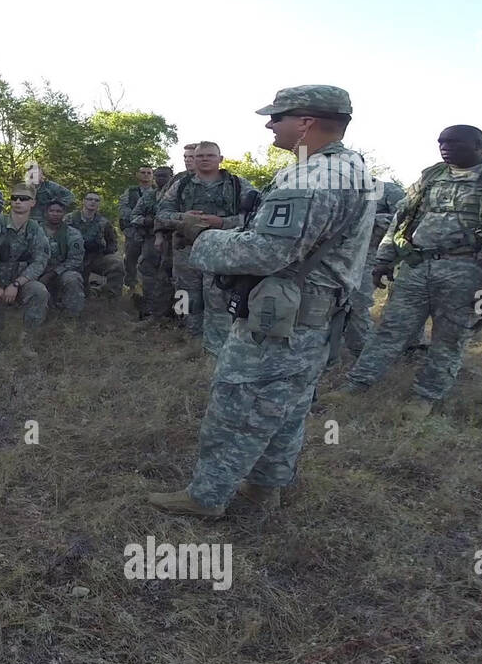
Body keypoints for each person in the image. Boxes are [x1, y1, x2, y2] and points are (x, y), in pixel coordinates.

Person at [147, 85, 374, 517]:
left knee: (237, 406)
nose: (270, 124)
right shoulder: (349, 168)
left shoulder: (314, 178)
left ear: (306, 122)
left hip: (279, 320)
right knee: (284, 409)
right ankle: (264, 488)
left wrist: (205, 237)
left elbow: (266, 252)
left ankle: (206, 498)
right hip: (311, 315)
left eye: (277, 116)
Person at [333, 125, 482, 418]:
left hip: (471, 272)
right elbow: (401, 220)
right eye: (441, 142)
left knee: (451, 336)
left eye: (454, 142)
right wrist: (384, 260)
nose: (445, 147)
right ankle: (358, 382)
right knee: (390, 329)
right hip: (417, 267)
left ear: (478, 145)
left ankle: (425, 396)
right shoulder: (431, 177)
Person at [155, 142, 257, 354]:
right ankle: (188, 336)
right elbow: (162, 214)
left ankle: (216, 348)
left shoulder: (238, 185)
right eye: (200, 155)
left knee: (219, 299)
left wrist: (222, 222)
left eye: (210, 155)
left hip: (222, 253)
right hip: (186, 250)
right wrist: (183, 218)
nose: (204, 159)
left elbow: (256, 216)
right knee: (184, 295)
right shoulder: (181, 185)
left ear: (220, 159)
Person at [0, 184, 51, 357]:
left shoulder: (35, 230)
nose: (18, 201)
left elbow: (40, 260)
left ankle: (26, 341)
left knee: (39, 291)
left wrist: (17, 283)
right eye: (14, 198)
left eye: (24, 198)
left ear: (33, 202)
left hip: (17, 283)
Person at [342, 177, 405, 359]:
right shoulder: (338, 189)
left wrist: (365, 219)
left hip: (370, 258)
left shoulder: (388, 190)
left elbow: (403, 220)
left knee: (357, 306)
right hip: (338, 258)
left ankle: (365, 358)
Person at [132, 166, 175, 320]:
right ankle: (150, 310)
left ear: (171, 176)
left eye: (164, 176)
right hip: (151, 241)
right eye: (158, 176)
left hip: (175, 241)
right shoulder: (149, 196)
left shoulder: (179, 193)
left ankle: (178, 312)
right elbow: (134, 216)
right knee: (149, 275)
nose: (161, 179)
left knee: (175, 277)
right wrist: (147, 220)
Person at [66, 192, 124, 300]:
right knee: (82, 293)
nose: (93, 202)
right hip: (74, 259)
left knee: (117, 263)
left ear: (99, 204)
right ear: (84, 201)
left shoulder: (103, 222)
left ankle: (111, 297)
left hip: (95, 257)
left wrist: (105, 250)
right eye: (90, 199)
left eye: (96, 200)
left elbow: (112, 241)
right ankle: (92, 290)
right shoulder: (69, 219)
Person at [39, 201, 86, 319]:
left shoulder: (73, 233)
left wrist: (53, 273)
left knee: (73, 279)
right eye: (52, 211)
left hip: (62, 270)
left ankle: (72, 317)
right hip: (37, 269)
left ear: (64, 214)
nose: (55, 214)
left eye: (59, 211)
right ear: (46, 213)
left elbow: (75, 260)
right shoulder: (34, 230)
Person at [119, 167, 155, 290]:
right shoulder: (130, 192)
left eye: (149, 173)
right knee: (130, 260)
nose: (146, 175)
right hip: (133, 231)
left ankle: (147, 288)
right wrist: (139, 221)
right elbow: (124, 211)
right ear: (137, 175)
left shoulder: (158, 192)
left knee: (150, 261)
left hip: (151, 232)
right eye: (143, 173)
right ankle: (130, 287)